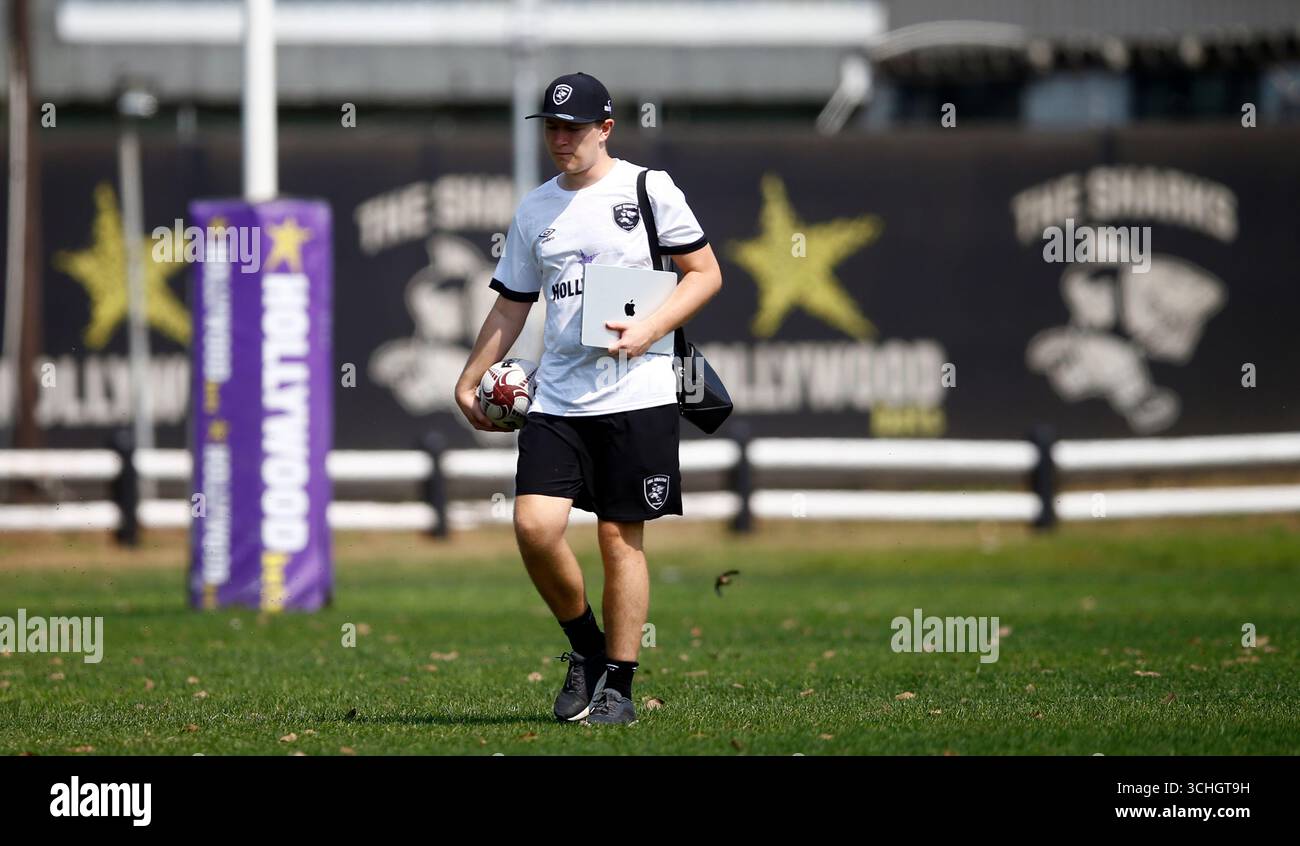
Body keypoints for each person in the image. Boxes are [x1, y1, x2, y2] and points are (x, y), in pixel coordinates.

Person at [454, 71, 723, 724]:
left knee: (616, 537)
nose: (560, 138)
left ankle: (621, 693)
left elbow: (706, 273)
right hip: (560, 398)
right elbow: (511, 308)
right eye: (551, 126)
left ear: (606, 128)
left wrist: (650, 327)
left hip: (639, 392)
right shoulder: (535, 209)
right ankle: (587, 650)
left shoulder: (647, 189)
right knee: (533, 526)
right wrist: (469, 380)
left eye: (572, 127)